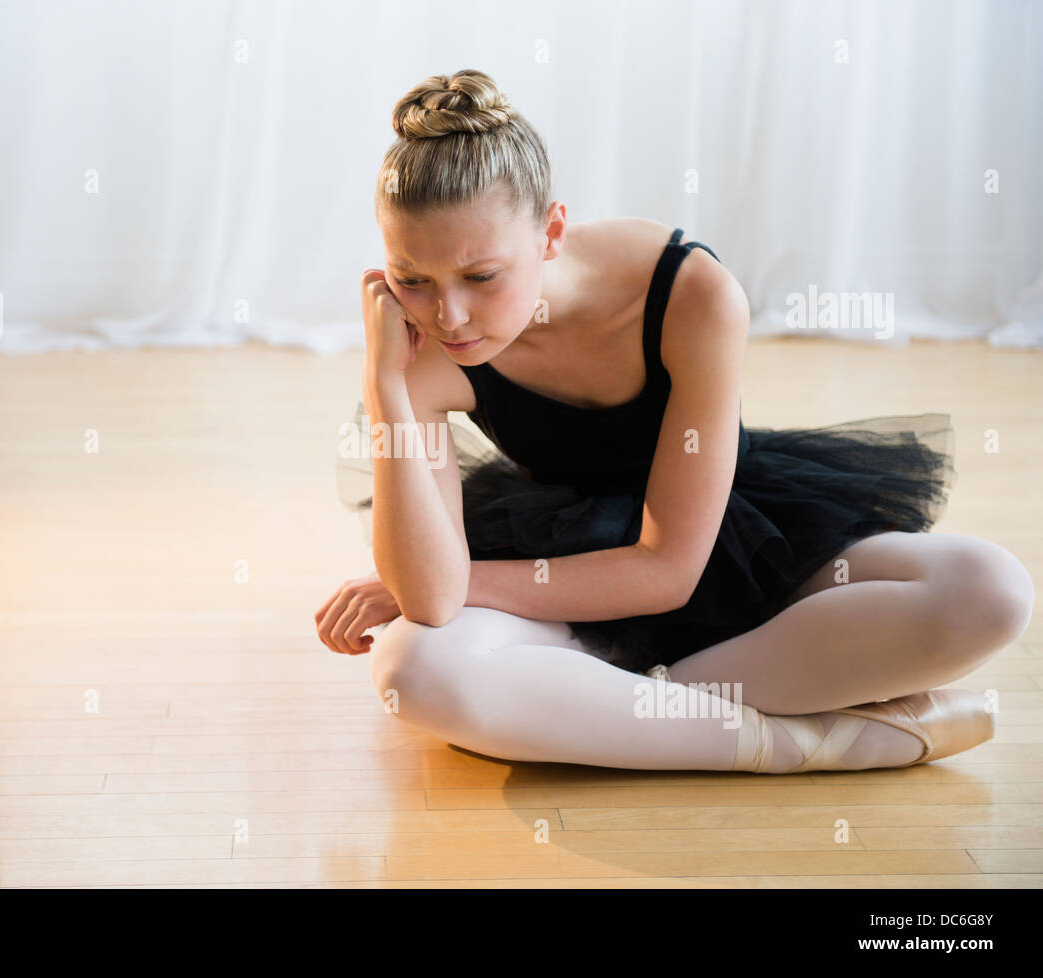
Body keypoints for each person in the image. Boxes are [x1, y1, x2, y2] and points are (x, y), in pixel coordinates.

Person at [316, 69, 1034, 774]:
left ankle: (614, 713)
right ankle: (802, 744)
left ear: (551, 232)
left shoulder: (690, 292)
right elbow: (433, 600)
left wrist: (450, 580)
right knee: (411, 668)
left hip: (732, 548)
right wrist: (385, 385)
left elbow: (666, 572)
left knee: (991, 592)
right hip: (562, 583)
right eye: (412, 279)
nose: (450, 316)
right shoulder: (417, 349)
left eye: (481, 277)